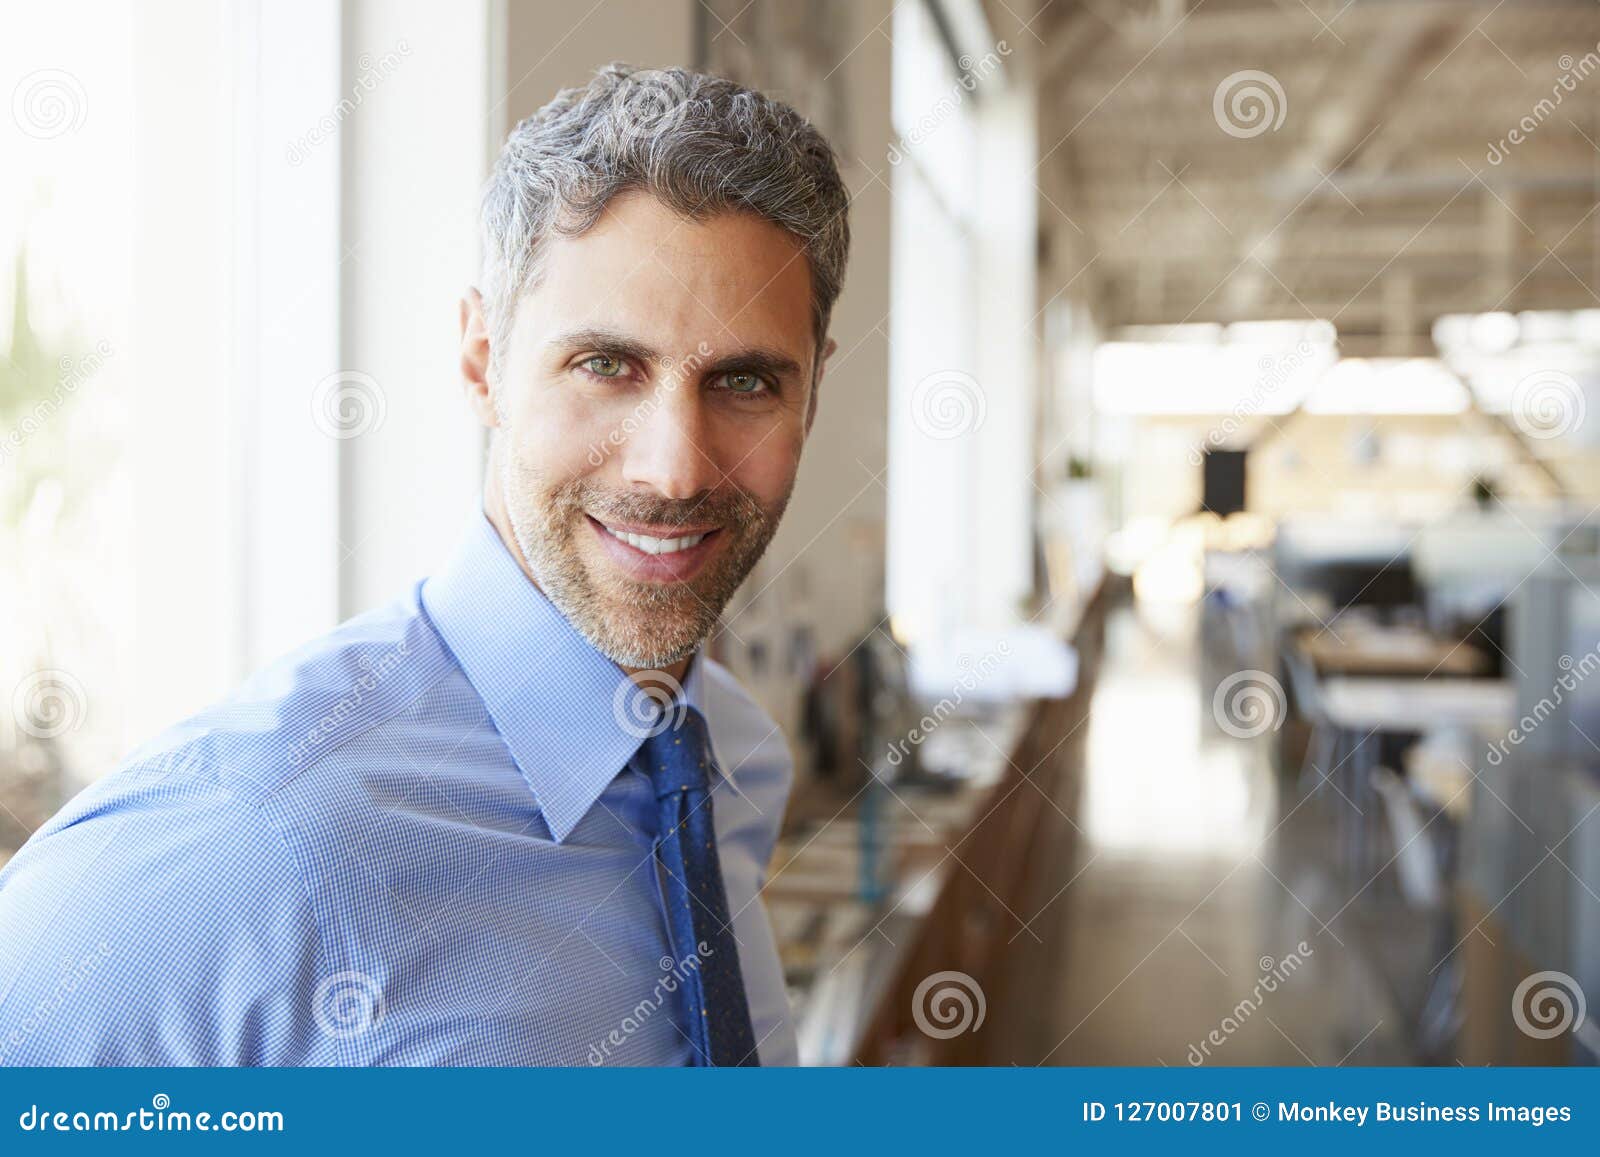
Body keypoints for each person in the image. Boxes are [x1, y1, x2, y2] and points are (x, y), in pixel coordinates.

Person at [0, 63, 850, 1066]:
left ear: (812, 395)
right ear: (482, 359)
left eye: (744, 382)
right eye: (605, 365)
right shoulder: (243, 834)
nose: (674, 469)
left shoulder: (731, 760)